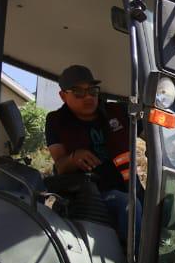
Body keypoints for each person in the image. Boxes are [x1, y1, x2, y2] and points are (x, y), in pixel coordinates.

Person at [45, 65, 137, 240]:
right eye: (78, 92)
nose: (88, 97)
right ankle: (134, 256)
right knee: (128, 205)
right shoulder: (56, 121)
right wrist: (73, 158)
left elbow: (151, 133)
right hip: (89, 196)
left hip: (130, 186)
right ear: (63, 96)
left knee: (168, 203)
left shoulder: (118, 113)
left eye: (92, 91)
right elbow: (61, 165)